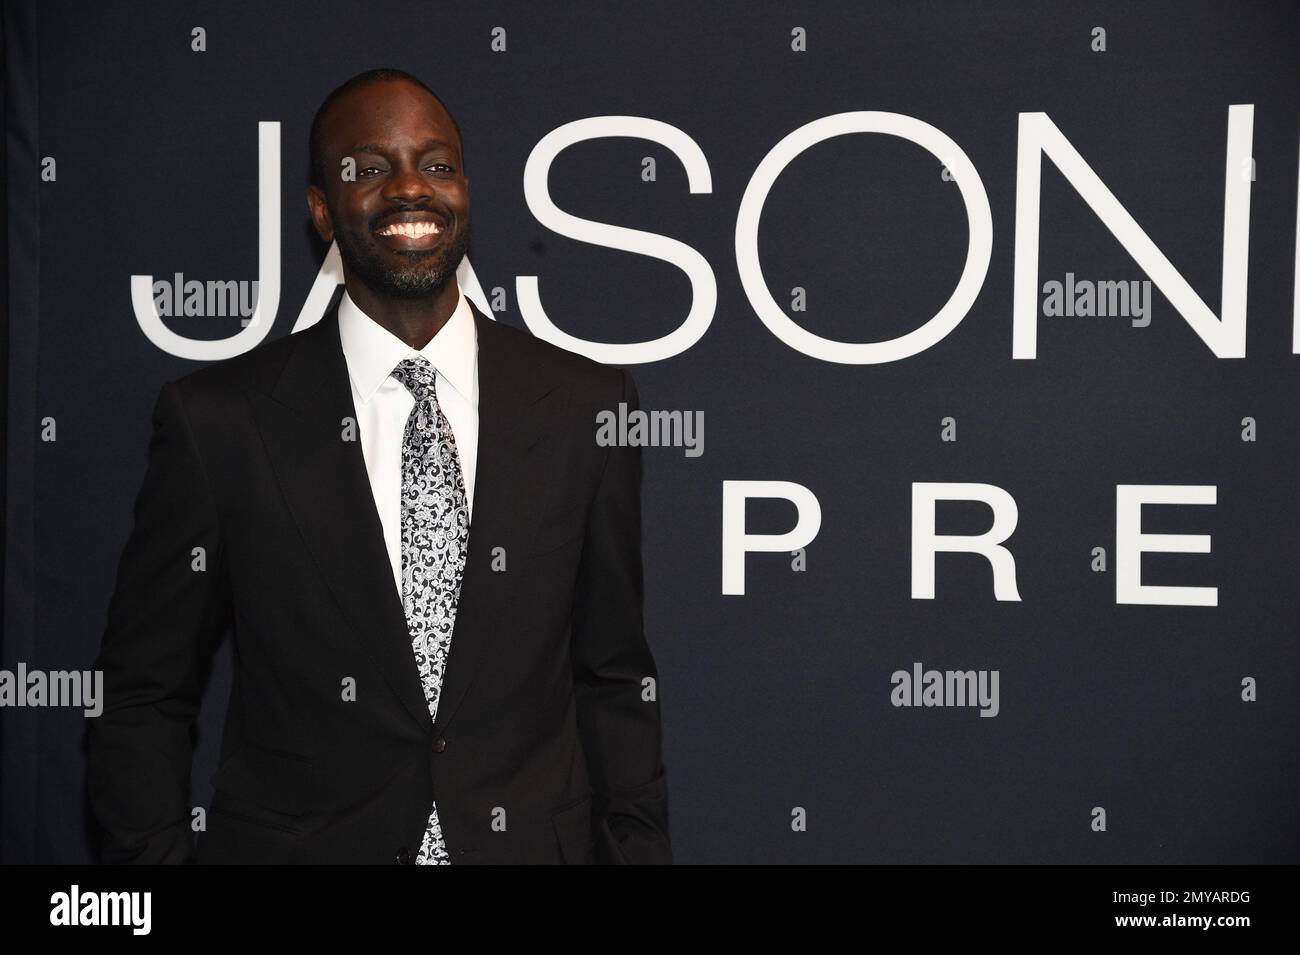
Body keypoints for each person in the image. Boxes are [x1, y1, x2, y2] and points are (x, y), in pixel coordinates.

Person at [86, 68, 671, 865]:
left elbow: (613, 680)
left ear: (465, 189)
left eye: (437, 165)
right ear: (322, 208)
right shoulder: (219, 421)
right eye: (370, 167)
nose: (409, 189)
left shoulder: (584, 406)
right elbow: (142, 696)